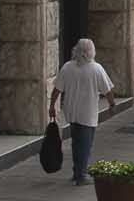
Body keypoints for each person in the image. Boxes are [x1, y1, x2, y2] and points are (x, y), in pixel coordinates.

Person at [49, 38, 117, 185]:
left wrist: (51, 106)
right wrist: (112, 104)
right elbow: (108, 91)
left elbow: (57, 90)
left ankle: (77, 171)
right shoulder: (96, 68)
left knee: (76, 143)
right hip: (88, 113)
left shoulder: (67, 67)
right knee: (85, 144)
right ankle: (81, 175)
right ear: (92, 52)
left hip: (71, 112)